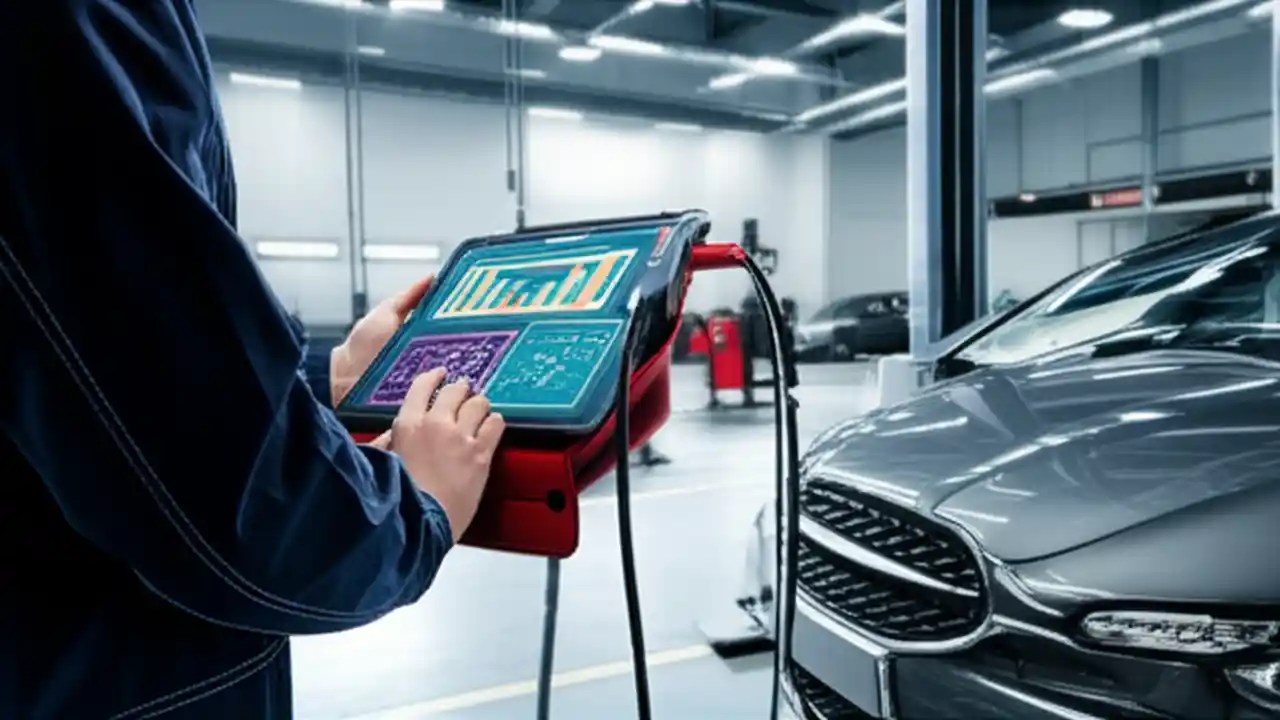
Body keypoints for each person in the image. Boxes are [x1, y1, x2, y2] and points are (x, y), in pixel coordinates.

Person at [0, 1, 504, 717]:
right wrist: (412, 513)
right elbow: (237, 507)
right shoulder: (72, 21)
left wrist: (328, 380)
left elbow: (91, 358)